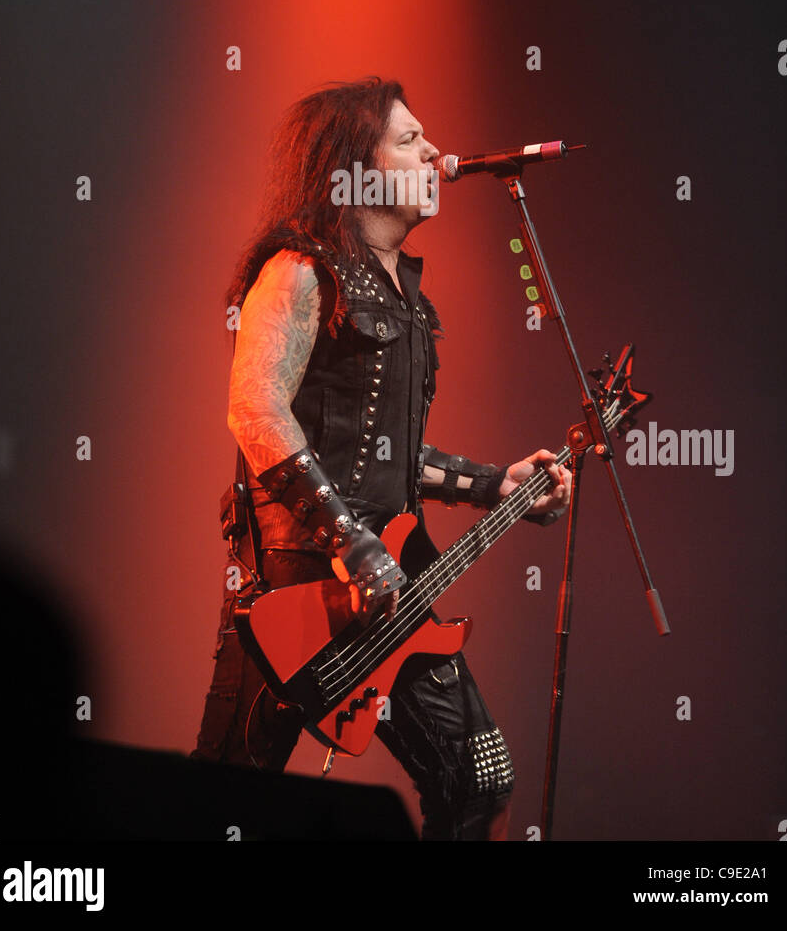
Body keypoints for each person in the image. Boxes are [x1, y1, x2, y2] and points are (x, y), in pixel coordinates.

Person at [191, 77, 571, 840]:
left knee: (478, 780)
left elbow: (380, 454)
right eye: (408, 139)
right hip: (296, 586)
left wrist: (495, 483)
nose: (434, 151)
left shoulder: (405, 297)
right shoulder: (298, 270)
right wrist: (354, 544)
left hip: (391, 583)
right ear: (351, 166)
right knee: (223, 806)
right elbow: (254, 410)